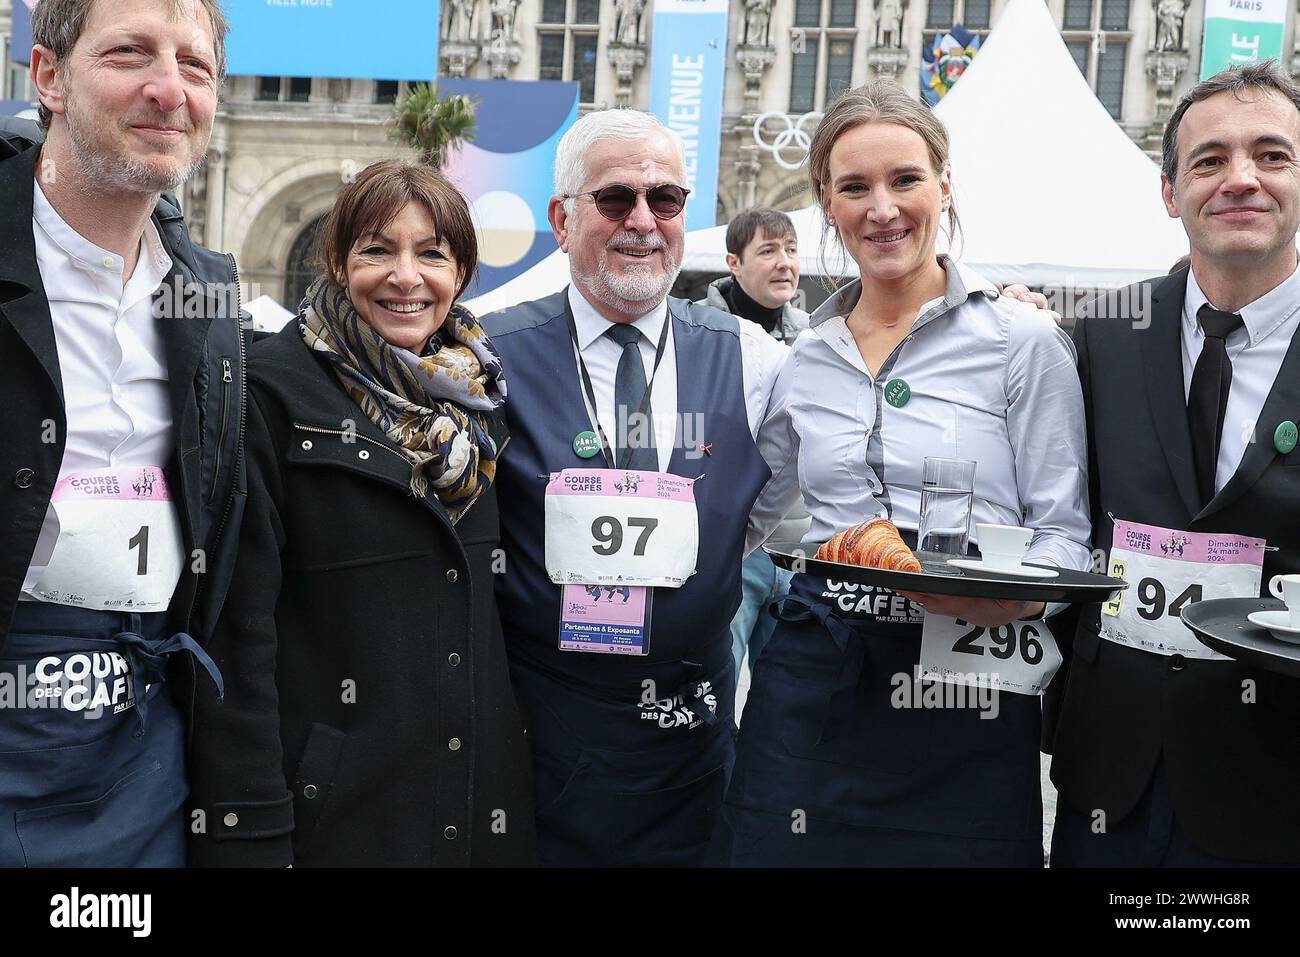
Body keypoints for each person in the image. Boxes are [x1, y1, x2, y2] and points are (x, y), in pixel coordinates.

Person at [710, 80, 1092, 867]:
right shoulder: (803, 360)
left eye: (905, 180)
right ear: (827, 202)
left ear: (944, 185)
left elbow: (1066, 541)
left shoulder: (1022, 341)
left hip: (970, 678)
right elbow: (751, 513)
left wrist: (994, 596)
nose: (882, 207)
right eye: (855, 187)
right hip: (815, 674)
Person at [186, 161, 535, 867]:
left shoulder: (482, 400)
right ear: (339, 264)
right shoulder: (270, 394)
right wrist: (248, 831)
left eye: (431, 253)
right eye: (377, 249)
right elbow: (236, 636)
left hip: (474, 812)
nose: (405, 276)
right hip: (338, 822)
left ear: (461, 272)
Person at [480, 110, 793, 867]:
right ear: (562, 218)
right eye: (616, 199)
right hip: (541, 728)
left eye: (667, 200)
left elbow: (764, 513)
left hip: (691, 734)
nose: (643, 222)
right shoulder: (485, 351)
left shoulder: (755, 359)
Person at [0, 0, 243, 869]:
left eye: (196, 66)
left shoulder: (208, 294)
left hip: (141, 753)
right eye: (131, 53)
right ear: (49, 76)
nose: (168, 89)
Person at [1048, 61, 1300, 867]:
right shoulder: (1101, 336)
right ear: (1169, 191)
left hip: (1278, 781)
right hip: (1110, 781)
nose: (1241, 180)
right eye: (1210, 160)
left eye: (1272, 155)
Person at [699, 208, 810, 678]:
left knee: (785, 702)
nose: (784, 262)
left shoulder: (817, 337)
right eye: (768, 251)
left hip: (801, 554)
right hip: (729, 550)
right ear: (733, 263)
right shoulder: (698, 338)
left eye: (790, 249)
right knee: (716, 683)